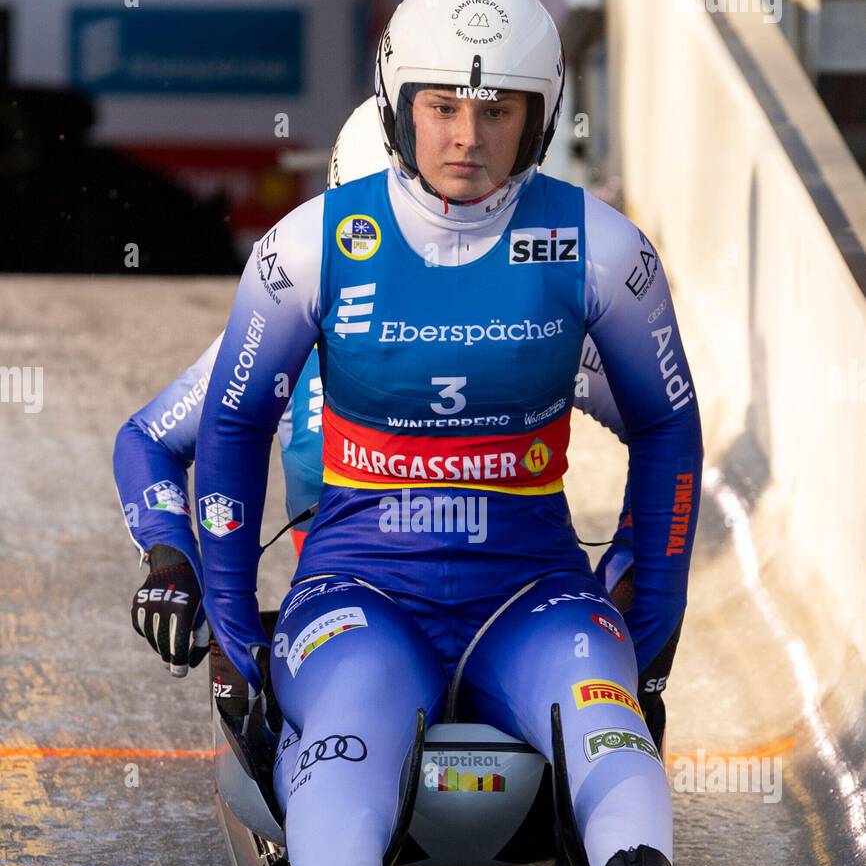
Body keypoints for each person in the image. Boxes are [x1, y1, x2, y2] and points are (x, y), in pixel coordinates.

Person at [126, 0, 702, 866]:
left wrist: (648, 611)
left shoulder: (602, 251)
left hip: (528, 586)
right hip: (361, 586)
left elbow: (667, 426)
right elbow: (227, 428)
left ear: (539, 118)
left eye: (497, 111)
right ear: (399, 106)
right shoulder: (305, 250)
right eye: (442, 107)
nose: (467, 138)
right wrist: (225, 615)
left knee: (598, 691)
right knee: (355, 707)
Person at [114, 97, 636, 671]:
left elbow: (662, 432)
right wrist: (172, 558)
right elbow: (149, 438)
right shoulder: (280, 334)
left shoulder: (530, 329)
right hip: (353, 615)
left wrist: (630, 566)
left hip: (506, 605)